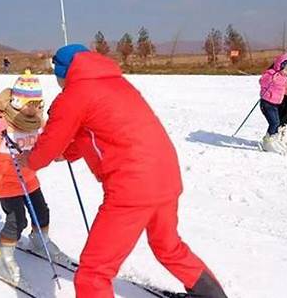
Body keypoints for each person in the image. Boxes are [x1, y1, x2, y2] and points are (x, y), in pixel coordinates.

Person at [19, 44, 228, 298]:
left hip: (131, 188)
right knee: (168, 246)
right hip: (166, 177)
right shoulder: (117, 83)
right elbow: (98, 134)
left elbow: (45, 151)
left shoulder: (74, 95)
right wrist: (65, 153)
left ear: (63, 73)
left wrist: (28, 160)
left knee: (94, 272)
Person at [0, 71, 72, 285]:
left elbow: (47, 143)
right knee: (17, 220)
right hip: (6, 181)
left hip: (29, 178)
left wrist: (62, 151)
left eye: (38, 102)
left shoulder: (37, 121)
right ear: (18, 102)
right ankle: (3, 257)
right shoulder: (4, 122)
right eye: (30, 102)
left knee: (42, 212)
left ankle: (40, 241)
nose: (34, 108)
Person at [259, 52, 287, 154]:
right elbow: (262, 81)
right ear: (279, 66)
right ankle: (267, 141)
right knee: (274, 123)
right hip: (266, 103)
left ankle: (271, 139)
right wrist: (272, 78)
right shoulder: (270, 74)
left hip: (275, 104)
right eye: (286, 69)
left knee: (277, 123)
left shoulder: (284, 79)